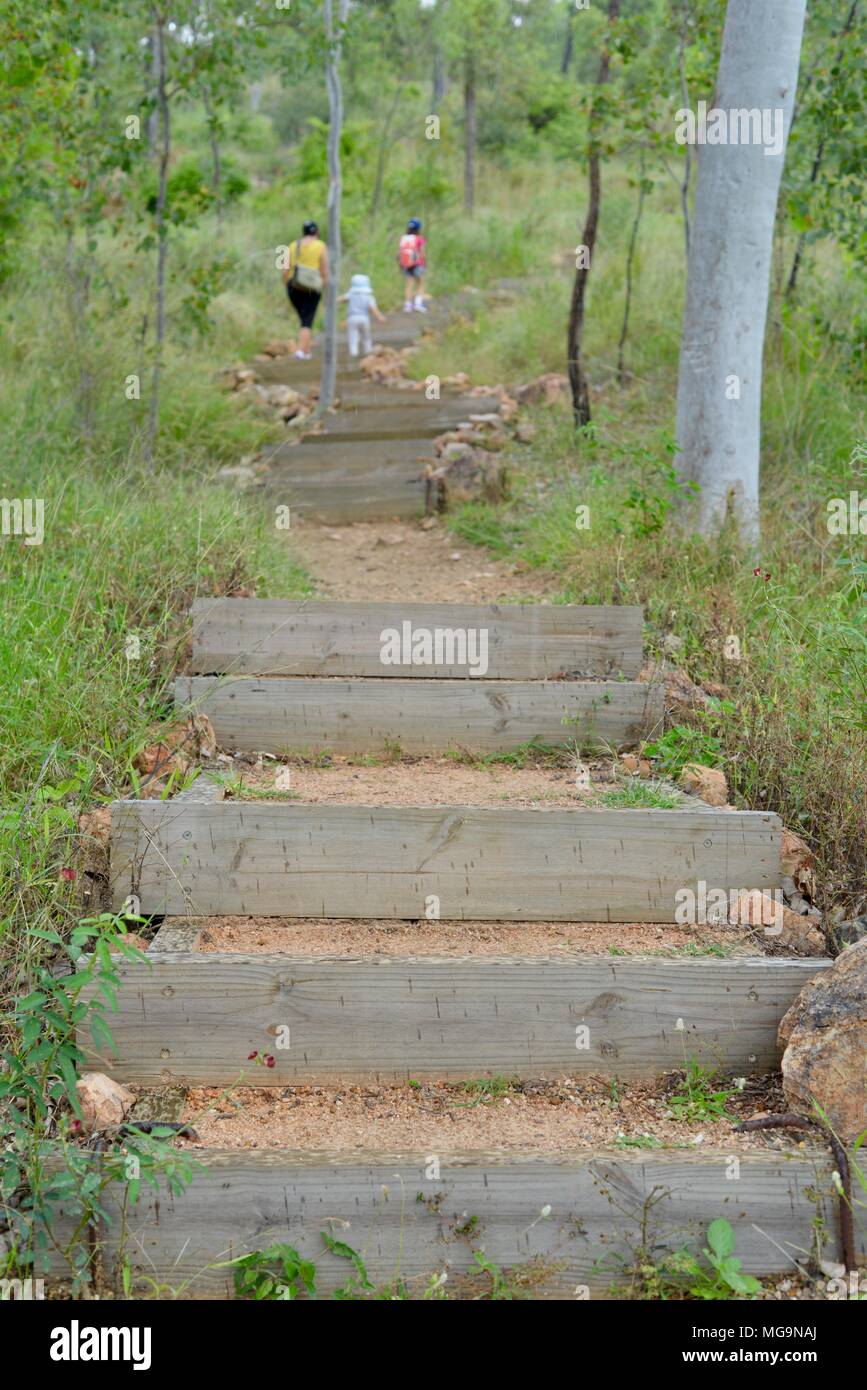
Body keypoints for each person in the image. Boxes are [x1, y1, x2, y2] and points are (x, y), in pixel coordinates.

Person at [282, 220, 329, 359]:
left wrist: (287, 286)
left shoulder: (291, 245)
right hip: (312, 288)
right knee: (307, 320)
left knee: (304, 319)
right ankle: (302, 351)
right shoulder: (321, 246)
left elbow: (284, 269)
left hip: (294, 286)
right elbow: (325, 271)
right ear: (316, 232)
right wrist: (324, 286)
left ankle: (306, 351)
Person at [338, 273, 385, 358]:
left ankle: (353, 353)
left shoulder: (351, 294)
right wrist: (380, 317)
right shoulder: (369, 296)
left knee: (353, 336)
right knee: (366, 336)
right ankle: (368, 352)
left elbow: (341, 298)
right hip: (364, 318)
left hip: (352, 318)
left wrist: (336, 299)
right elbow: (373, 308)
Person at [397, 217, 427, 313]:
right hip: (418, 264)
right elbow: (422, 253)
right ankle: (418, 304)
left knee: (409, 284)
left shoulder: (403, 238)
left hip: (406, 264)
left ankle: (408, 305)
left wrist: (400, 264)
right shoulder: (419, 239)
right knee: (420, 283)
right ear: (419, 228)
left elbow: (399, 253)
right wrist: (424, 263)